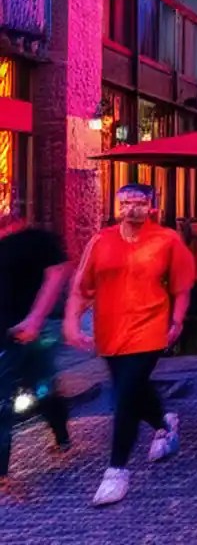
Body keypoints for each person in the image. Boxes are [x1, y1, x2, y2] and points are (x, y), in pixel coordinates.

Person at [65, 184, 196, 506]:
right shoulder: (101, 240)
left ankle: (116, 471)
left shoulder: (166, 240)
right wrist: (70, 322)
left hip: (150, 328)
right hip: (110, 330)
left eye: (139, 203)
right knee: (132, 389)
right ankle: (164, 423)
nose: (131, 209)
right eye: (126, 203)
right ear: (118, 205)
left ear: (150, 206)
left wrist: (177, 320)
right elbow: (82, 287)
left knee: (125, 393)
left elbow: (182, 285)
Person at [0, 203, 71, 480]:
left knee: (41, 387)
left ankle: (60, 431)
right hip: (11, 333)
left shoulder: (37, 241)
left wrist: (35, 319)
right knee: (18, 393)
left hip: (31, 331)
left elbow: (58, 274)